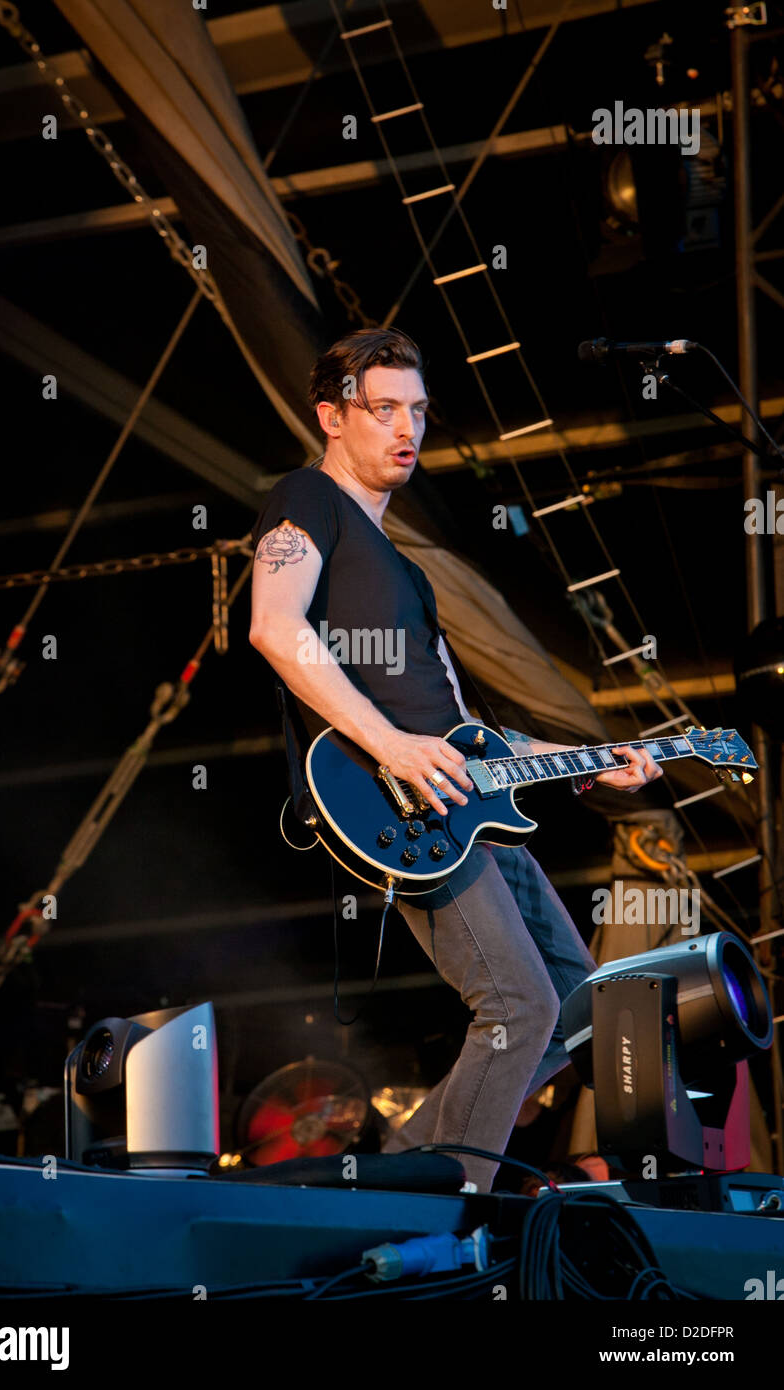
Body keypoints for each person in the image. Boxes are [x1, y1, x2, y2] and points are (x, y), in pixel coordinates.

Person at [248, 327, 662, 1193]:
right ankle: (452, 1212)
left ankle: (396, 1176)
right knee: (516, 1005)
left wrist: (584, 762)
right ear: (332, 416)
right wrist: (390, 745)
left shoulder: (408, 570)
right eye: (384, 408)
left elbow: (470, 732)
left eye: (420, 411)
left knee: (575, 1004)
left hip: (463, 790)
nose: (408, 428)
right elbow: (274, 628)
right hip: (397, 797)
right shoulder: (307, 498)